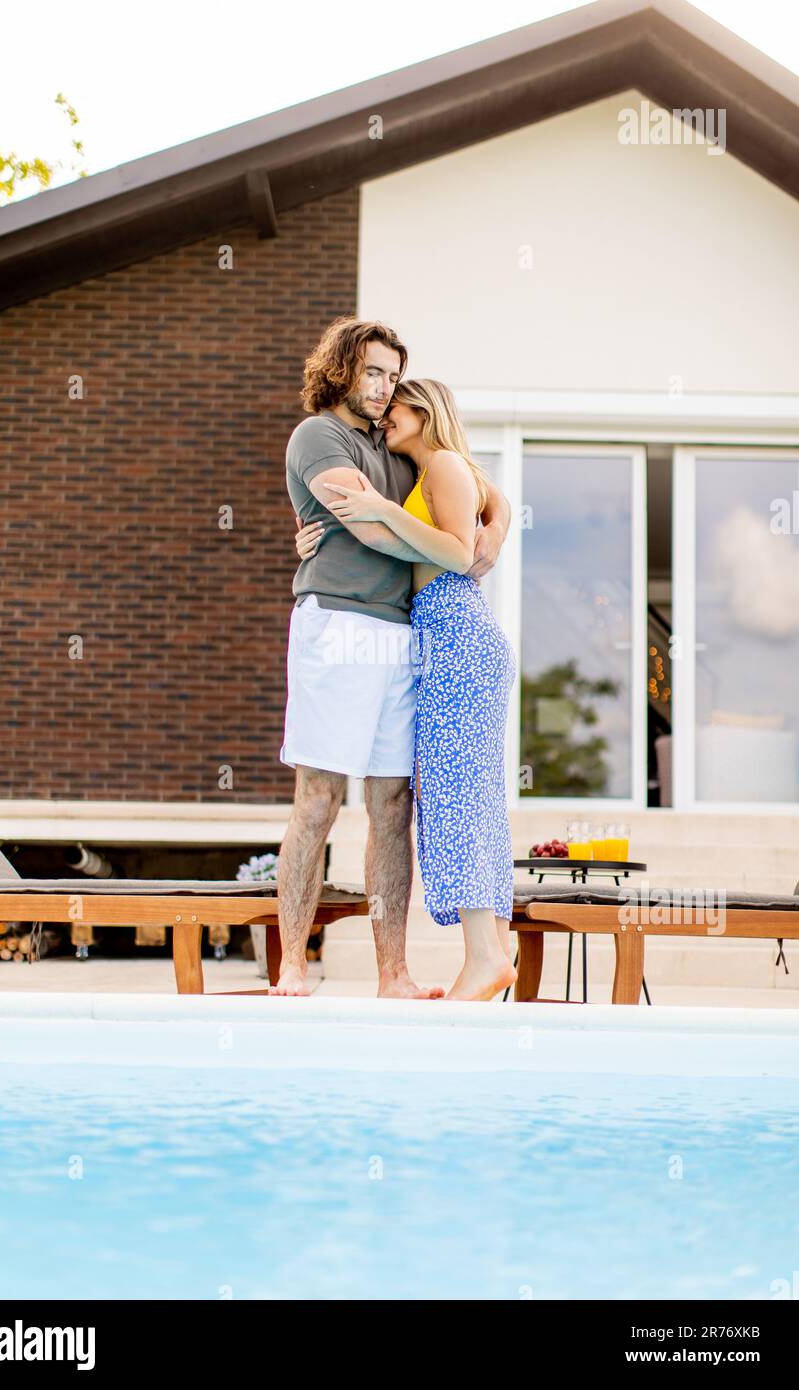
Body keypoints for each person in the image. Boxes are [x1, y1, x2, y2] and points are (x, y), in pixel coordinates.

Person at [275, 316, 511, 997]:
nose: (382, 388)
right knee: (318, 799)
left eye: (391, 376)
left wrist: (491, 525)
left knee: (392, 805)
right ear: (342, 369)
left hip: (403, 635)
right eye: (372, 372)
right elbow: (367, 525)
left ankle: (395, 975)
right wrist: (445, 542)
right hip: (338, 626)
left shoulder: (400, 445)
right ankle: (292, 964)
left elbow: (474, 489)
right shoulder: (318, 434)